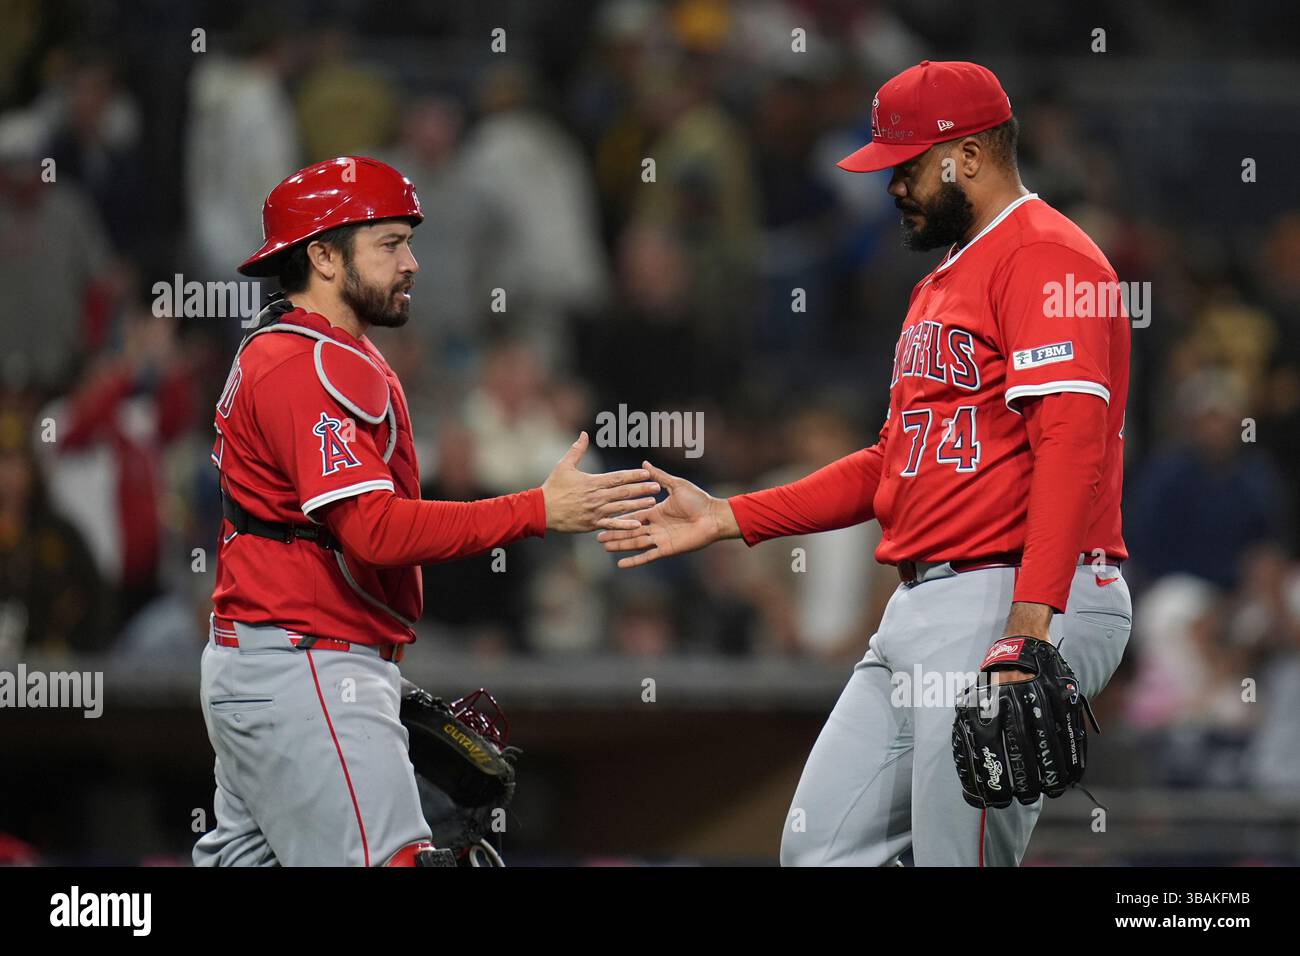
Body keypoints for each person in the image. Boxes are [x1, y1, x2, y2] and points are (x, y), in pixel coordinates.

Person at [600, 61, 1132, 866]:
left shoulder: (1050, 257)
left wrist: (1029, 633)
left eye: (907, 165)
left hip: (1015, 592)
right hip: (926, 601)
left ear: (970, 156)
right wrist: (728, 518)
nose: (891, 186)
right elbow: (892, 464)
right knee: (820, 848)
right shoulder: (939, 285)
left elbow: (1071, 447)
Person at [194, 156, 659, 866]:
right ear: (322, 255)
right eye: (389, 243)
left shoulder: (304, 350)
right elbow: (374, 533)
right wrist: (535, 509)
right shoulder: (305, 365)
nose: (412, 262)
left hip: (281, 657)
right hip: (306, 661)